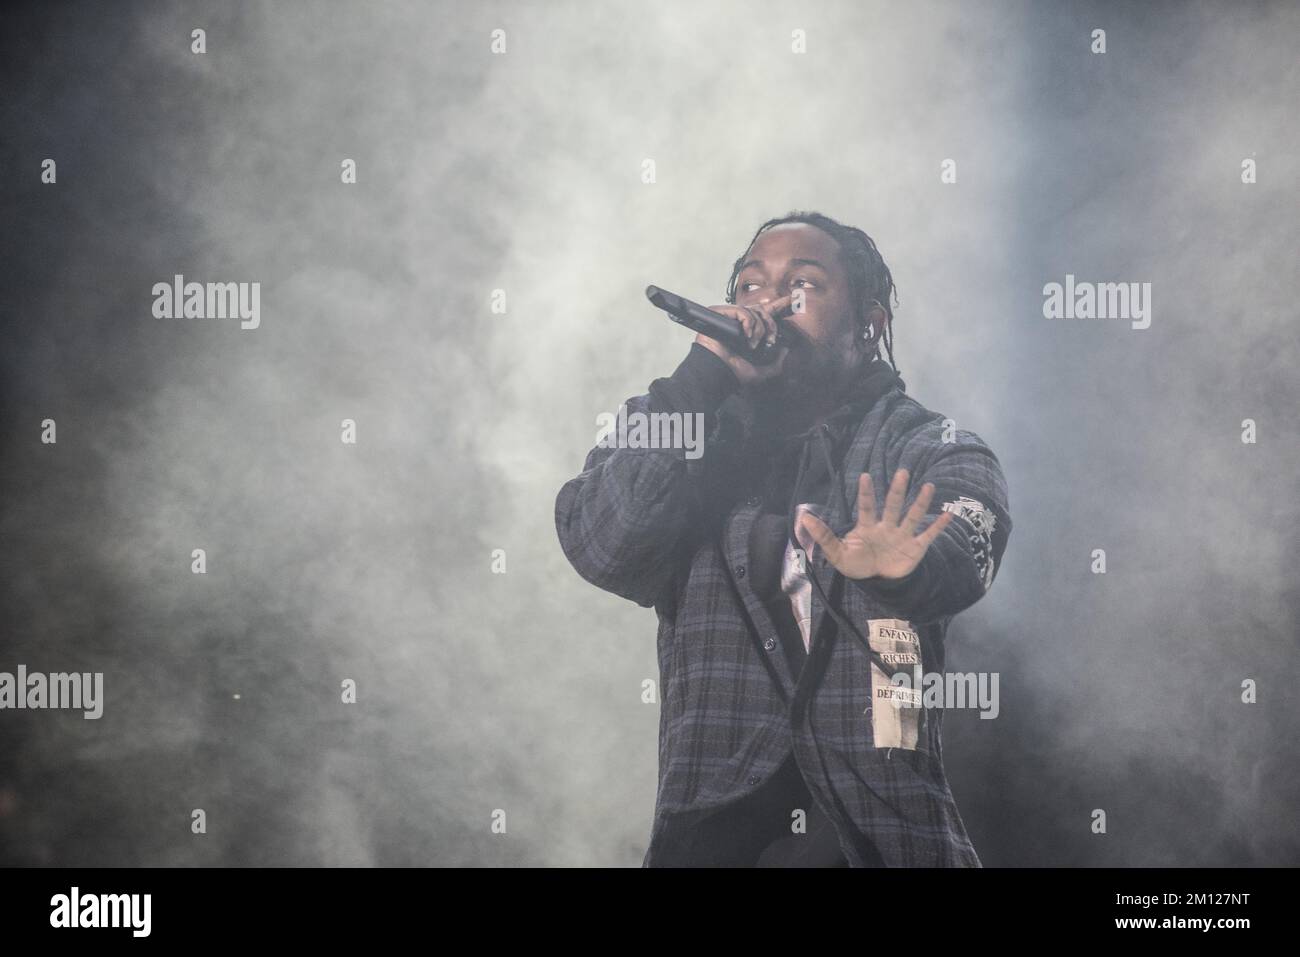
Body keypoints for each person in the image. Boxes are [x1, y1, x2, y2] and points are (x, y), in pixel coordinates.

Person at [555, 211, 1012, 867]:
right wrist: (698, 378)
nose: (767, 303)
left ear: (870, 323)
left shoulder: (921, 443)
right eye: (749, 286)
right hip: (713, 841)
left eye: (802, 287)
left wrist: (906, 570)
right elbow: (601, 539)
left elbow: (972, 532)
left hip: (886, 840)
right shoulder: (690, 436)